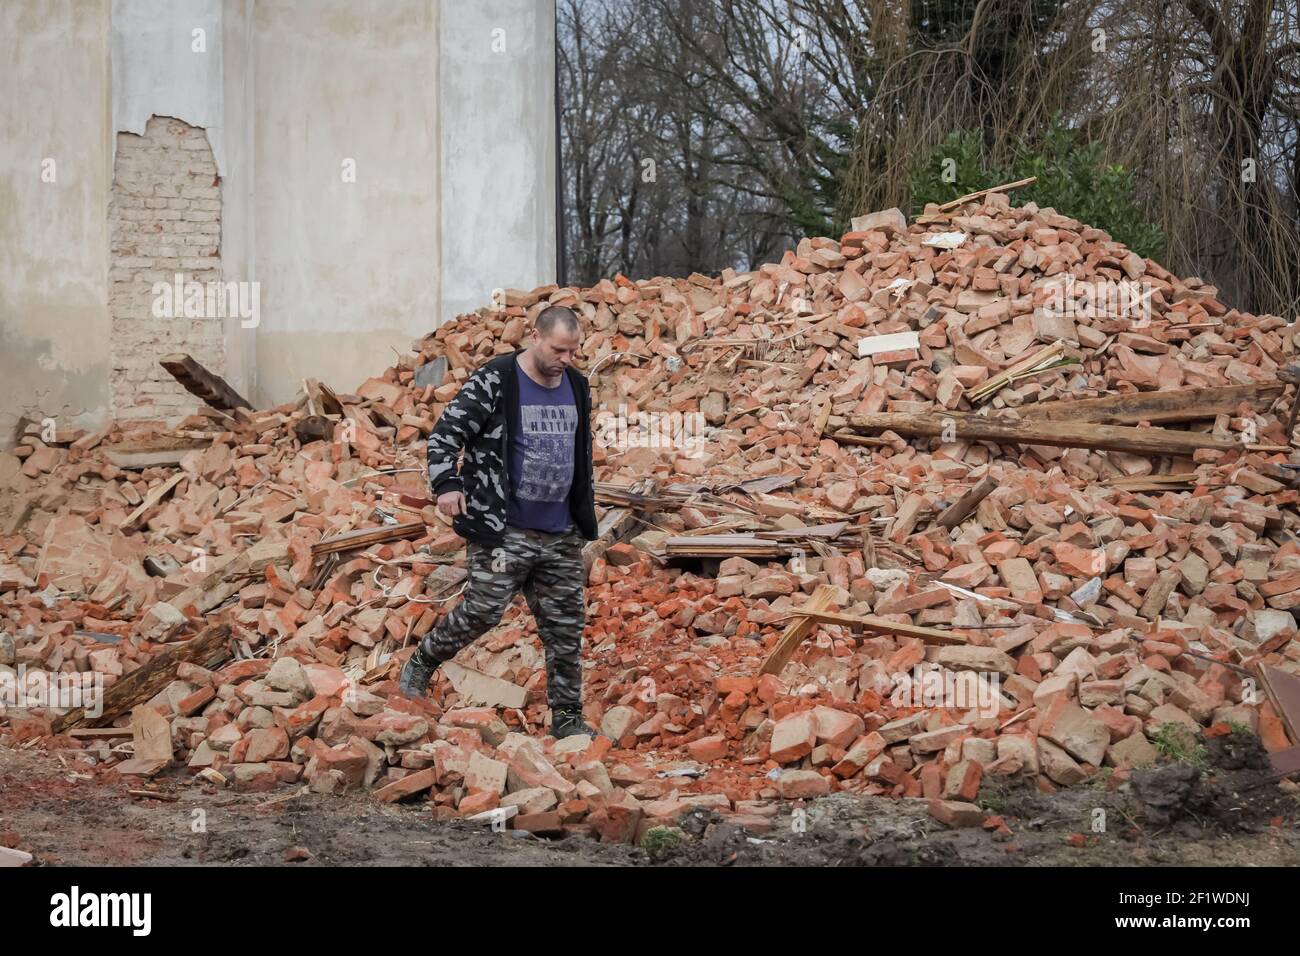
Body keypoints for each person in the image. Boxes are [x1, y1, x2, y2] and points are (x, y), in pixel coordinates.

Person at [399, 305, 602, 740]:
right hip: (504, 527)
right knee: (483, 610)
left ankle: (567, 718)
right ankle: (423, 661)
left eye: (573, 351)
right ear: (534, 335)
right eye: (558, 350)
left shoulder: (578, 387)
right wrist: (448, 484)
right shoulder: (497, 379)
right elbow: (446, 434)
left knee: (565, 626)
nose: (565, 360)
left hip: (560, 530)